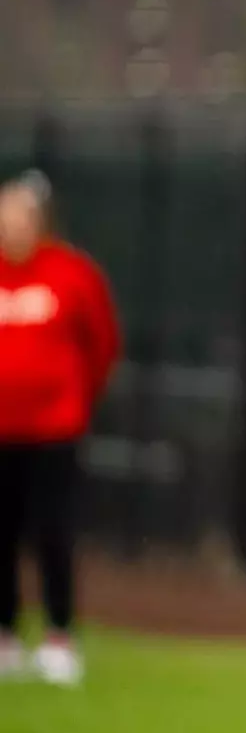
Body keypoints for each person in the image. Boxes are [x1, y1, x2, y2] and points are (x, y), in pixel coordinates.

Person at [0, 172, 121, 686]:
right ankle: (4, 636)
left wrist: (71, 401)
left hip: (53, 432)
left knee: (53, 533)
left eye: (18, 215)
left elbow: (102, 346)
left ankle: (58, 636)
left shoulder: (72, 275)